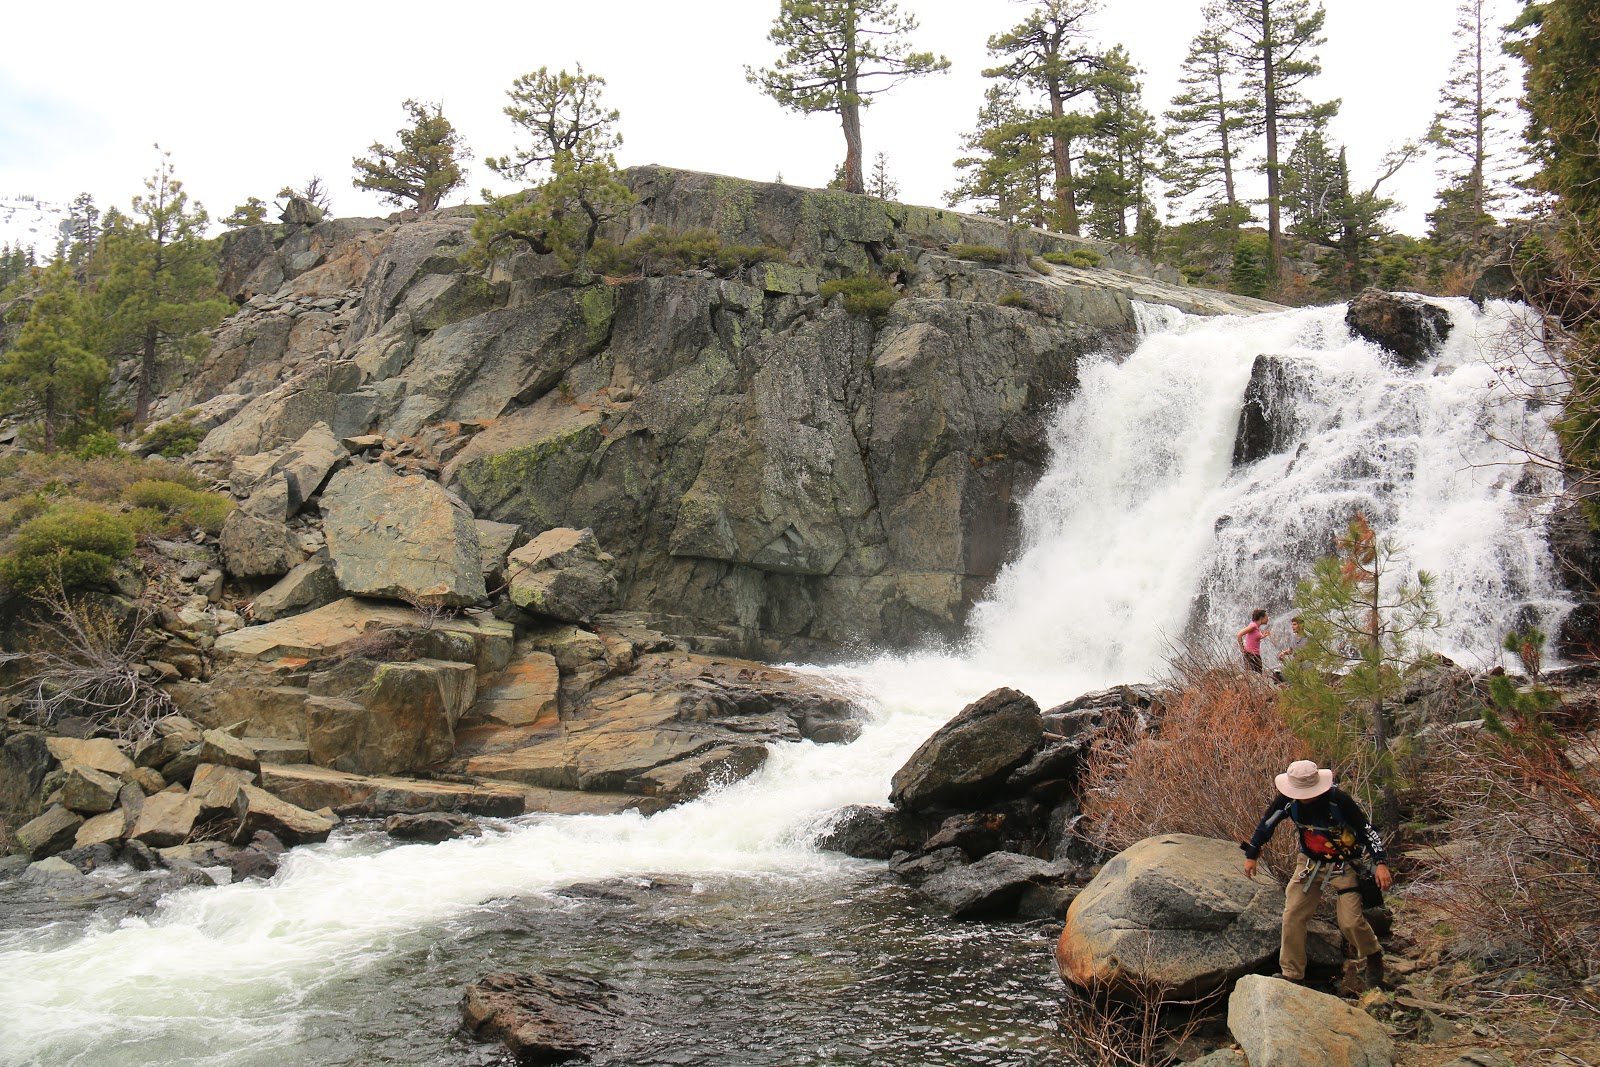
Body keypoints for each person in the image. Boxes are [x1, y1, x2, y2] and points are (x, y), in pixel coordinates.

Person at [1242, 759, 1394, 987]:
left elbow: (1366, 830)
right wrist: (1252, 853)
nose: (1303, 797)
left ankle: (1373, 955)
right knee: (1293, 914)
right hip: (1309, 864)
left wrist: (1380, 862)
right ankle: (1292, 975)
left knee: (1350, 922)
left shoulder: (1338, 800)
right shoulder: (1288, 800)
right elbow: (1266, 824)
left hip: (1344, 865)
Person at [1237, 609, 1271, 673]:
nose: (1268, 619)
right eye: (1267, 617)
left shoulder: (1256, 627)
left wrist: (1263, 636)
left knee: (1257, 675)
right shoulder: (1253, 626)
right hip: (1251, 655)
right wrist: (1242, 648)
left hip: (1255, 655)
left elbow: (1254, 637)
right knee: (1255, 675)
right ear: (1261, 618)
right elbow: (1239, 634)